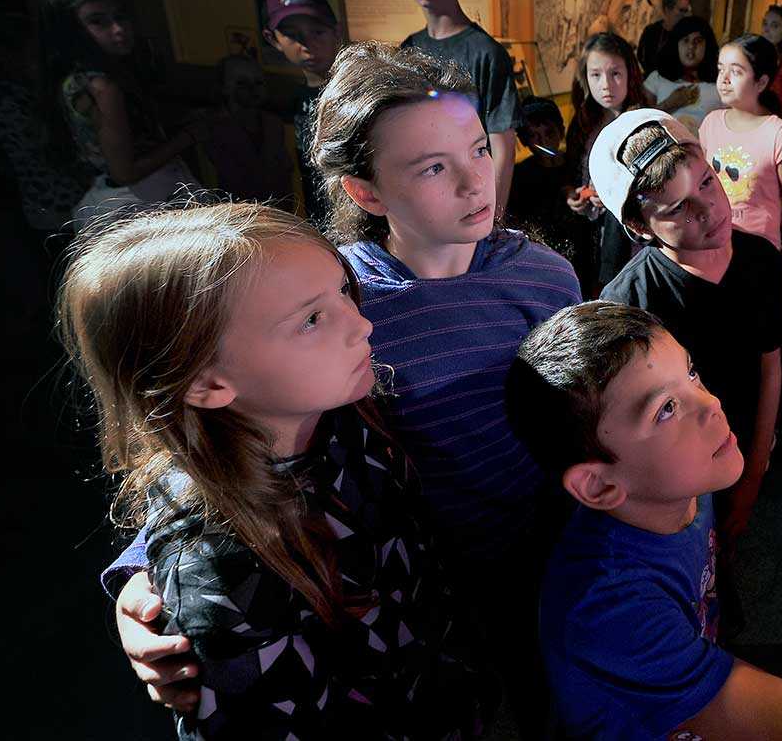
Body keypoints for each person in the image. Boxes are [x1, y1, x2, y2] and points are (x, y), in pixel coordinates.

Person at [109, 44, 581, 739]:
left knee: (548, 690)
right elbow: (226, 430)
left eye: (480, 150)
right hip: (418, 575)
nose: (475, 182)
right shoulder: (334, 296)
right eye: (432, 168)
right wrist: (139, 576)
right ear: (365, 191)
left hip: (544, 544)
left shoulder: (543, 275)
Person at [64, 202, 491, 738]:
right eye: (312, 319)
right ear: (207, 383)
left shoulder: (344, 408)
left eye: (344, 290)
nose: (361, 322)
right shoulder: (223, 574)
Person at [505, 300, 782, 739]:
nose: (711, 403)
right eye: (666, 409)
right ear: (599, 487)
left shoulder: (681, 484)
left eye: (691, 372)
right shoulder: (611, 612)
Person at [593, 110, 782, 544]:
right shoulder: (628, 304)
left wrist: (753, 472)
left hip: (749, 442)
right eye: (679, 208)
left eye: (706, 182)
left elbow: (770, 363)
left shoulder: (760, 258)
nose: (709, 209)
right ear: (640, 227)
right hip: (683, 476)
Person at [38, 0, 205, 226]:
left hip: (111, 201)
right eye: (98, 21)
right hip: (136, 205)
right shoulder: (102, 87)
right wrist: (188, 136)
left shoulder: (72, 77)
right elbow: (123, 172)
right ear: (69, 29)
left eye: (120, 16)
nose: (118, 29)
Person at [395, 0, 522, 215]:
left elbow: (502, 146)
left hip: (470, 196)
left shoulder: (485, 53)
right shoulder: (409, 49)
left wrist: (493, 218)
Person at [700, 34, 782, 287]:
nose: (724, 79)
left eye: (735, 71)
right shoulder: (711, 123)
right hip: (713, 243)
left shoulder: (779, 133)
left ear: (761, 82)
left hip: (759, 249)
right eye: (720, 69)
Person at [563, 32, 650, 295]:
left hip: (629, 238)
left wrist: (616, 194)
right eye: (596, 74)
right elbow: (570, 175)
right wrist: (573, 196)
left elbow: (657, 183)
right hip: (589, 237)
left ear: (630, 74)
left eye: (615, 74)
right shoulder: (582, 124)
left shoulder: (642, 122)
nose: (606, 85)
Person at [259, 0, 343, 223]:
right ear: (273, 39)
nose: (307, 45)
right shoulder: (297, 97)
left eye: (317, 32)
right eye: (292, 35)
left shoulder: (356, 90)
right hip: (319, 218)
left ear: (336, 32)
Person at [196, 55, 296, 207]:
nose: (252, 88)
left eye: (258, 82)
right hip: (234, 213)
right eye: (241, 83)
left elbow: (285, 171)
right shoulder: (212, 127)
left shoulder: (273, 124)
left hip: (276, 212)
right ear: (224, 88)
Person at [507, 95, 580, 261]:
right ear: (524, 140)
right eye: (534, 136)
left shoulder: (577, 164)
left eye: (549, 132)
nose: (544, 141)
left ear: (561, 131)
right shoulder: (519, 177)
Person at [642, 13, 723, 133]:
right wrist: (669, 104)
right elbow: (638, 118)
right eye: (685, 40)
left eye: (698, 41)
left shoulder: (720, 83)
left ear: (707, 46)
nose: (691, 46)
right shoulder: (657, 78)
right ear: (676, 44)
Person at [636, 0, 690, 73]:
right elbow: (641, 56)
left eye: (686, 11)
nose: (685, 15)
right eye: (681, 10)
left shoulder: (688, 36)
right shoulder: (651, 31)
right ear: (668, 9)